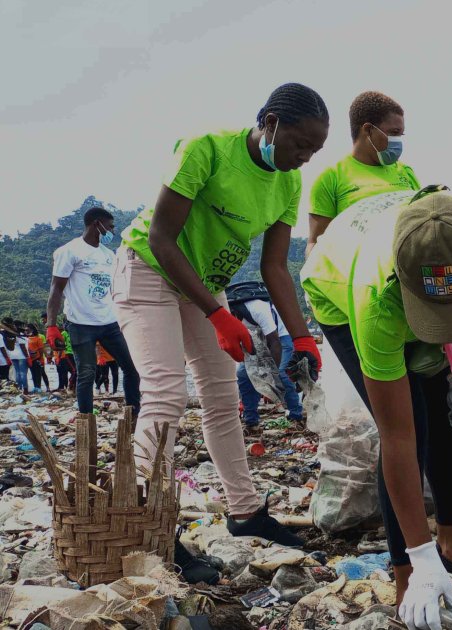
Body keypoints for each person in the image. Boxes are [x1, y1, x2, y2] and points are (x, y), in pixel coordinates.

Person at [112, 83, 329, 582]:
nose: (303, 159)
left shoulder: (288, 185)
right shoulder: (205, 149)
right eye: (300, 145)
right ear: (271, 122)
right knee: (166, 393)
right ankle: (150, 523)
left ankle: (245, 510)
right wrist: (217, 314)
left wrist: (302, 337)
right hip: (149, 269)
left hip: (206, 285)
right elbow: (161, 238)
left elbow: (275, 267)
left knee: (221, 393)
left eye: (314, 151)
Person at [302, 189, 452, 629]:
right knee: (410, 425)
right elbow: (396, 436)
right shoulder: (372, 300)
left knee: (446, 418)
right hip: (338, 292)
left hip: (415, 284)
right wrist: (421, 561)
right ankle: (409, 579)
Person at [46, 207, 140, 414]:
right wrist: (51, 326)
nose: (112, 231)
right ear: (97, 223)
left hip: (109, 322)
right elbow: (56, 288)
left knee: (132, 369)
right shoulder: (69, 251)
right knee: (87, 373)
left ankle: (135, 417)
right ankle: (86, 420)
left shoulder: (109, 255)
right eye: (110, 226)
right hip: (80, 323)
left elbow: (115, 290)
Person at [307, 91, 419, 253]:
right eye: (393, 133)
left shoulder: (406, 173)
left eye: (400, 134)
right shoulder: (332, 178)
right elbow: (315, 245)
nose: (398, 141)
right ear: (368, 130)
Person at [226, 282, 304, 427]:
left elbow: (275, 343)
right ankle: (251, 420)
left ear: (235, 312)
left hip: (280, 335)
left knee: (281, 373)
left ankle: (296, 416)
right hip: (256, 337)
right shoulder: (226, 317)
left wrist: (269, 375)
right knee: (244, 374)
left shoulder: (257, 309)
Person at [2, 320, 29, 393]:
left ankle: (19, 388)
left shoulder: (11, 334)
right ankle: (25, 389)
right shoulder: (19, 334)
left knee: (17, 373)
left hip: (13, 356)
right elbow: (23, 347)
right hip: (21, 356)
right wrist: (27, 357)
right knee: (23, 373)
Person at [25, 324, 49, 392]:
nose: (26, 332)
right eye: (25, 330)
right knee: (33, 374)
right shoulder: (26, 339)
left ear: (32, 330)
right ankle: (35, 387)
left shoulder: (38, 338)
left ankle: (41, 388)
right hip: (30, 360)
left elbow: (41, 350)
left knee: (40, 374)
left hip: (37, 359)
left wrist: (40, 359)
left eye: (27, 330)